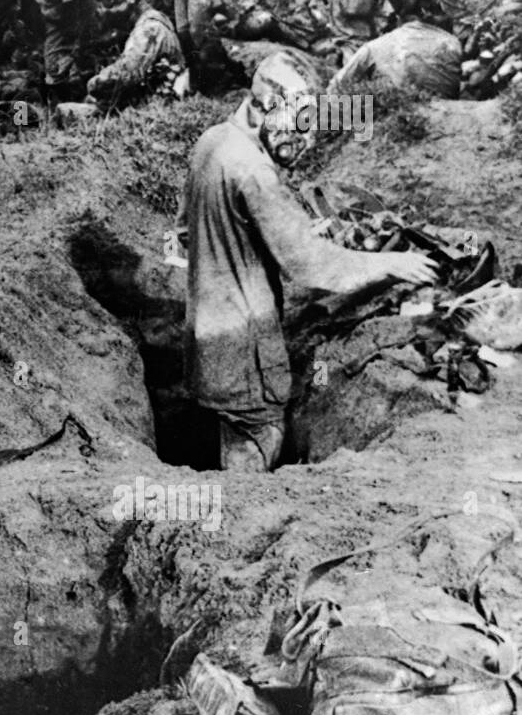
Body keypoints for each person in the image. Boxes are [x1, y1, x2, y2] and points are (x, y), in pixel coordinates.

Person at [181, 51, 438, 472]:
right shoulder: (254, 171)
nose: (303, 137)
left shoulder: (213, 141)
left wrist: (273, 234)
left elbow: (191, 231)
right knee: (257, 442)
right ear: (268, 106)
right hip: (244, 349)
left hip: (206, 338)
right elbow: (308, 266)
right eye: (298, 121)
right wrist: (389, 264)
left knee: (233, 433)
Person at [84, 0, 186, 107]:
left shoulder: (149, 28)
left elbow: (127, 73)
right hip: (156, 94)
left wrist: (94, 83)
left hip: (159, 100)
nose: (110, 10)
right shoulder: (149, 20)